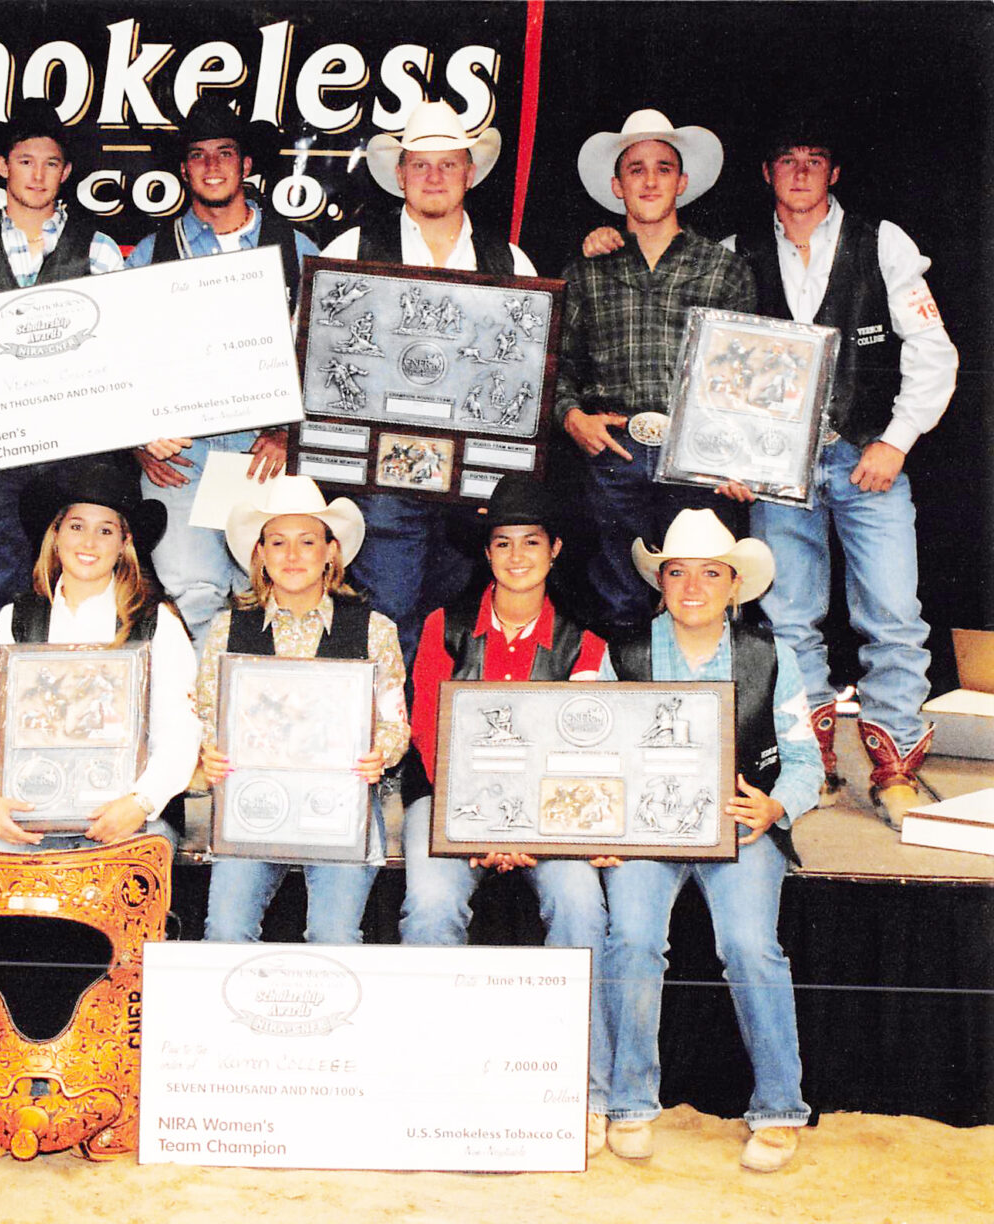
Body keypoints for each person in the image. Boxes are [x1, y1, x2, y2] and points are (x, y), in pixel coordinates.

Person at [578, 121, 958, 821]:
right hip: (782, 471)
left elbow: (934, 354)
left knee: (894, 614)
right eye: (788, 159)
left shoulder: (883, 243)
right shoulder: (737, 254)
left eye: (816, 159)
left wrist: (899, 440)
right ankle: (810, 767)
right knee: (788, 617)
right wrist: (605, 239)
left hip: (869, 455)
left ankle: (895, 766)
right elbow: (721, 369)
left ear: (834, 173)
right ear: (767, 173)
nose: (802, 171)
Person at [597, 508, 823, 1172]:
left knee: (751, 945)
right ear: (660, 582)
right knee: (632, 940)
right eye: (677, 572)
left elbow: (806, 758)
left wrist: (778, 802)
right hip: (645, 828)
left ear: (733, 585)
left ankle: (780, 1107)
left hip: (735, 822)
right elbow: (590, 750)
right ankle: (631, 1101)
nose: (693, 587)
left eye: (710, 574)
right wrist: (600, 821)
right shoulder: (623, 652)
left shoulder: (770, 655)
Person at [398, 473, 612, 1154]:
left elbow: (585, 755)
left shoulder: (586, 644)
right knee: (430, 904)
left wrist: (529, 827)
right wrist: (478, 824)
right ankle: (432, 1078)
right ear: (487, 555)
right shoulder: (445, 626)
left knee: (581, 905)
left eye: (530, 542)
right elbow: (429, 733)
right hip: (448, 804)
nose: (516, 556)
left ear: (554, 551)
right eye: (502, 543)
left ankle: (586, 1090)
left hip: (550, 815)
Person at [320, 100, 538, 666]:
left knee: (458, 625)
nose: (434, 177)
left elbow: (527, 380)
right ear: (400, 175)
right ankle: (388, 749)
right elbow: (318, 363)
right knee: (390, 612)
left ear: (470, 171)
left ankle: (434, 743)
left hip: (474, 485)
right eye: (421, 165)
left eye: (448, 164)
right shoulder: (350, 251)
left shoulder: (511, 262)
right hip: (382, 476)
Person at [127, 95, 321, 653]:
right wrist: (139, 437)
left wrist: (290, 434)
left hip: (265, 449)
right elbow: (123, 359)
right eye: (198, 155)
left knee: (273, 590)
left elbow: (326, 356)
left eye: (226, 153)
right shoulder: (152, 252)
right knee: (194, 590)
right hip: (183, 455)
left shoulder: (295, 248)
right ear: (184, 169)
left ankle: (266, 715)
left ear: (246, 165)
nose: (212, 166)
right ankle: (215, 720)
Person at [555, 109, 756, 640]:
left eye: (663, 168)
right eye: (636, 169)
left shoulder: (724, 268)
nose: (650, 180)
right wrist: (572, 416)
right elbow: (558, 365)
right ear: (617, 185)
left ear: (682, 183)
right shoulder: (585, 270)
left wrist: (740, 455)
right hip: (614, 451)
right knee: (617, 593)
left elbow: (747, 378)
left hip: (696, 455)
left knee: (699, 594)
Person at [0, 100, 126, 641]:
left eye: (50, 163)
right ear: (3, 167)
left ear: (66, 172)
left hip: (80, 445)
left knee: (83, 577)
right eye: (25, 161)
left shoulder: (100, 249)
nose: (37, 175)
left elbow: (118, 353)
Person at [196, 477, 409, 944]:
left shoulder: (374, 629)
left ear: (331, 552)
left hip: (341, 806)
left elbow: (395, 725)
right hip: (250, 805)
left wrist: (380, 754)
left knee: (335, 936)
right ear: (261, 555)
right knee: (226, 931)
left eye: (307, 541)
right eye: (278, 542)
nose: (292, 556)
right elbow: (208, 714)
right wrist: (208, 752)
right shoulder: (227, 629)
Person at [0, 459, 201, 851]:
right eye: (76, 527)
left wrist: (140, 803)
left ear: (125, 544)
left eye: (105, 530)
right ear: (55, 535)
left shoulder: (156, 624)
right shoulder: (16, 620)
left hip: (128, 822)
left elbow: (180, 734)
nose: (89, 543)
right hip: (27, 817)